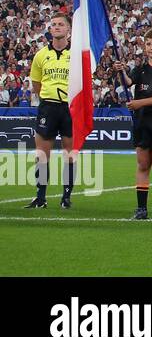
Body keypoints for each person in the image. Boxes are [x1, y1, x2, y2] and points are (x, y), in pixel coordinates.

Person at [113, 28, 152, 220]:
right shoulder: (140, 69)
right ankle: (141, 209)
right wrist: (121, 71)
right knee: (142, 164)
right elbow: (128, 81)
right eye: (148, 43)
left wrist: (139, 103)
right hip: (142, 121)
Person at [26, 12, 75, 210]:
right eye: (53, 24)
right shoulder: (41, 55)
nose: (56, 27)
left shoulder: (77, 55)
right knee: (42, 154)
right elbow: (36, 83)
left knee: (70, 154)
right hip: (48, 106)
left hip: (69, 108)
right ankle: (40, 197)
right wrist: (47, 98)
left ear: (69, 29)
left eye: (60, 24)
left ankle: (66, 196)